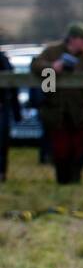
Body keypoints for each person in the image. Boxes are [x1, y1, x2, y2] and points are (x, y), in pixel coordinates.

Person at [31, 22, 83, 184]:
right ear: (73, 39)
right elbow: (36, 65)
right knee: (60, 149)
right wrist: (52, 68)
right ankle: (62, 180)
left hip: (78, 110)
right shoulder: (52, 52)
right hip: (56, 108)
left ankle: (75, 179)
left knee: (77, 148)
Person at [0, 45, 21, 182]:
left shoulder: (3, 60)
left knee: (1, 143)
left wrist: (15, 110)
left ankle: (1, 173)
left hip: (2, 106)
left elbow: (12, 86)